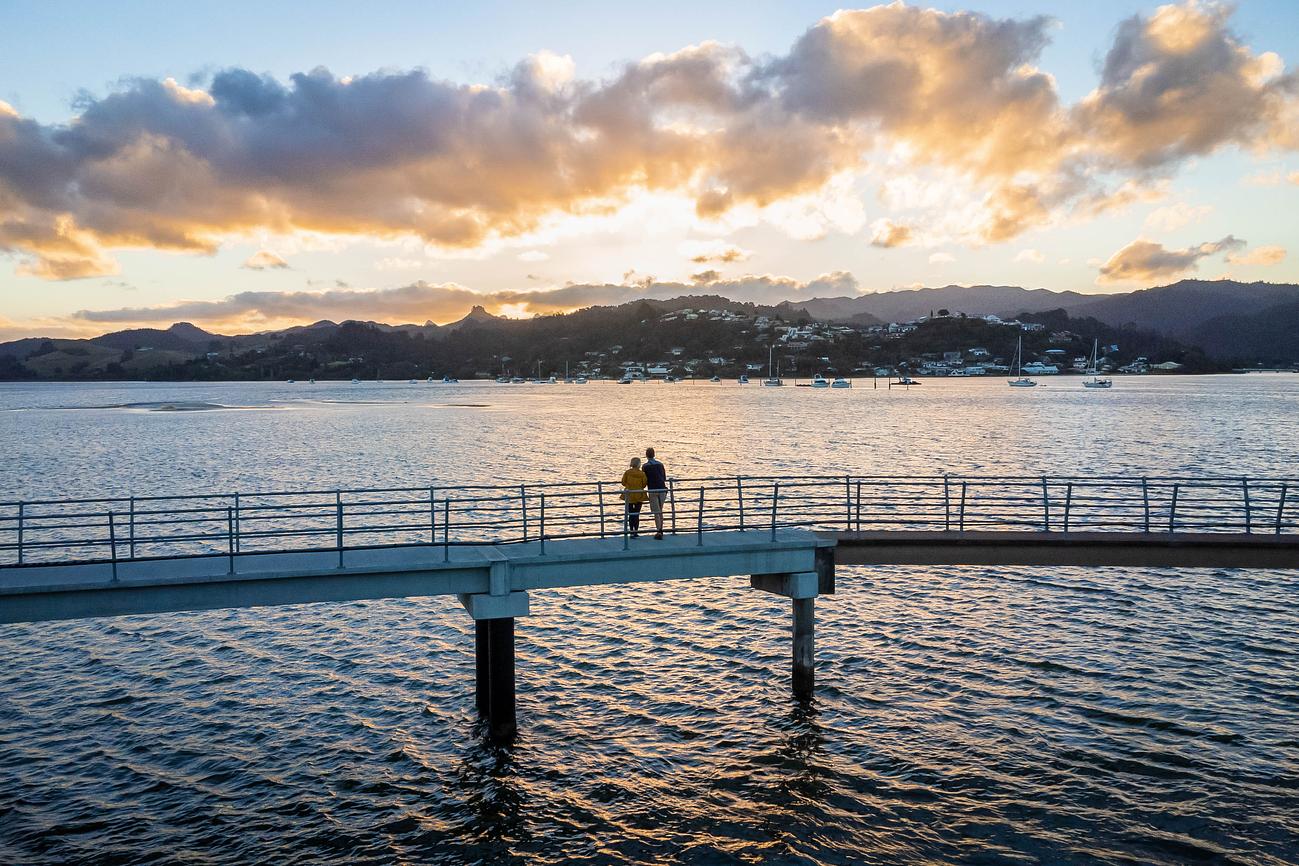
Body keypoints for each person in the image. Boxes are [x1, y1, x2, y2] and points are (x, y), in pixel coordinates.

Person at [643, 447, 667, 540]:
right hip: (662, 488)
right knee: (660, 510)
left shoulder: (645, 466)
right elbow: (664, 477)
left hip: (653, 489)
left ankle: (659, 530)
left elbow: (645, 480)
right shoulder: (660, 464)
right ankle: (661, 529)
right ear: (654, 454)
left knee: (656, 512)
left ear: (646, 455)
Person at [620, 457, 648, 537]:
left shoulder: (627, 473)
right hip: (639, 495)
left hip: (629, 495)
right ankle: (636, 531)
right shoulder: (642, 474)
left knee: (630, 514)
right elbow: (644, 484)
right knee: (636, 514)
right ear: (639, 464)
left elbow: (623, 482)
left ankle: (631, 530)